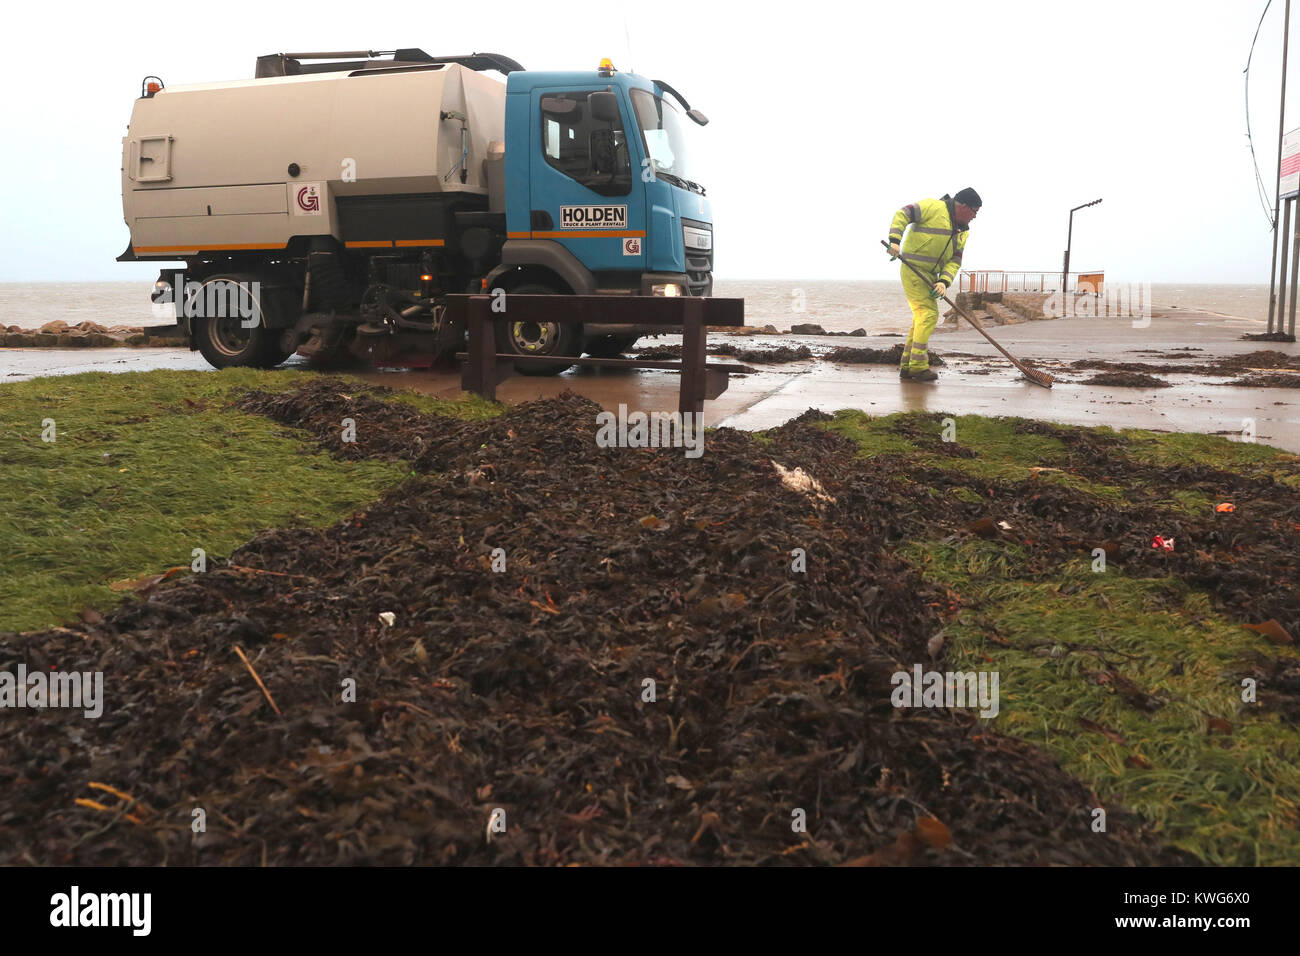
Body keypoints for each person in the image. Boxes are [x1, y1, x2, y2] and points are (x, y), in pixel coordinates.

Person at [888, 187, 981, 382]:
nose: (974, 217)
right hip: (912, 268)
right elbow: (903, 213)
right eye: (974, 211)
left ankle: (907, 365)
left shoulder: (962, 232)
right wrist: (895, 240)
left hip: (932, 275)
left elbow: (955, 261)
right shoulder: (933, 207)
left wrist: (943, 281)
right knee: (928, 314)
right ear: (964, 206)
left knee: (921, 317)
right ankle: (918, 367)